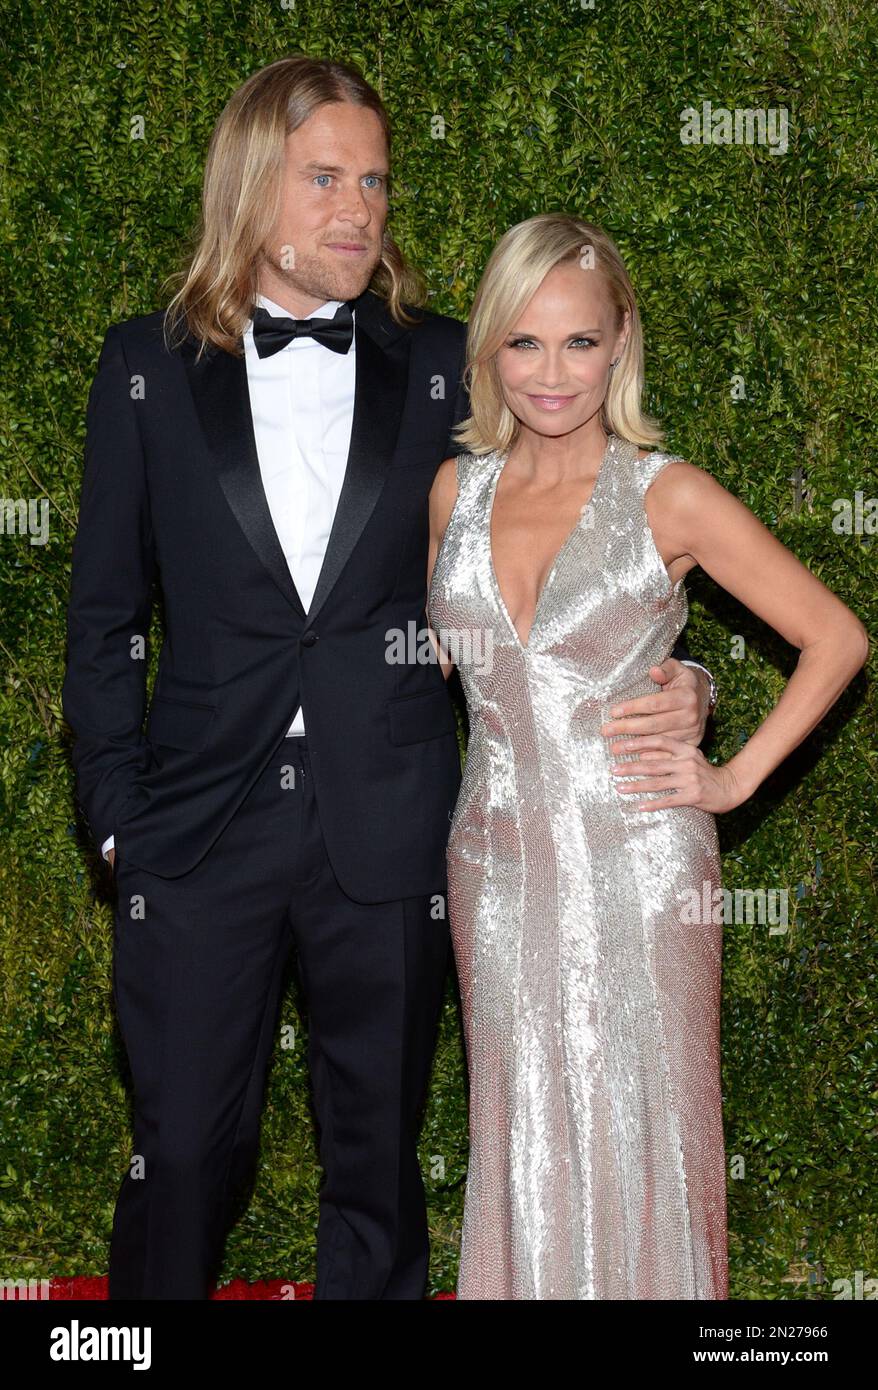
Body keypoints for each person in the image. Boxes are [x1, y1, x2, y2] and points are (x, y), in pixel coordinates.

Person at [62, 55, 713, 1301]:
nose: (357, 208)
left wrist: (679, 683)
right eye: (323, 179)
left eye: (371, 180)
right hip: (194, 832)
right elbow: (99, 619)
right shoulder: (139, 369)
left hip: (399, 826)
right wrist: (115, 828)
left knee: (378, 1168)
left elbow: (608, 535)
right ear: (251, 184)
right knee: (183, 1154)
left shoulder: (457, 365)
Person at [426, 213, 868, 1300]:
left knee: (651, 1124)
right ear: (488, 348)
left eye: (578, 341)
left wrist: (729, 773)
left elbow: (836, 634)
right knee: (519, 1124)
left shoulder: (664, 492)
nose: (550, 372)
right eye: (523, 342)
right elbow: (464, 681)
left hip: (639, 862)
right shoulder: (454, 493)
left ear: (620, 341)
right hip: (494, 864)